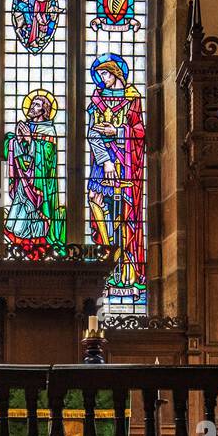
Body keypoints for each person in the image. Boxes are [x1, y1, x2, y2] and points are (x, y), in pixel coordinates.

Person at [86, 54, 145, 300]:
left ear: (117, 74)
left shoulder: (133, 99)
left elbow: (139, 131)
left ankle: (126, 273)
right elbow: (91, 132)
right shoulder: (96, 100)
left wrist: (118, 131)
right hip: (102, 165)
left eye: (106, 74)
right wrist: (105, 160)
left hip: (127, 167)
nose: (102, 79)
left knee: (123, 216)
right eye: (99, 75)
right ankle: (105, 262)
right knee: (96, 201)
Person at [4, 90, 65, 255]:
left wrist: (30, 140)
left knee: (35, 214)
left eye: (37, 105)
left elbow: (47, 156)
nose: (32, 107)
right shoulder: (26, 126)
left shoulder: (49, 131)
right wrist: (16, 140)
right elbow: (14, 151)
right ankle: (19, 246)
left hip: (40, 184)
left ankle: (37, 245)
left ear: (44, 110)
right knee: (19, 214)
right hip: (24, 181)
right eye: (32, 103)